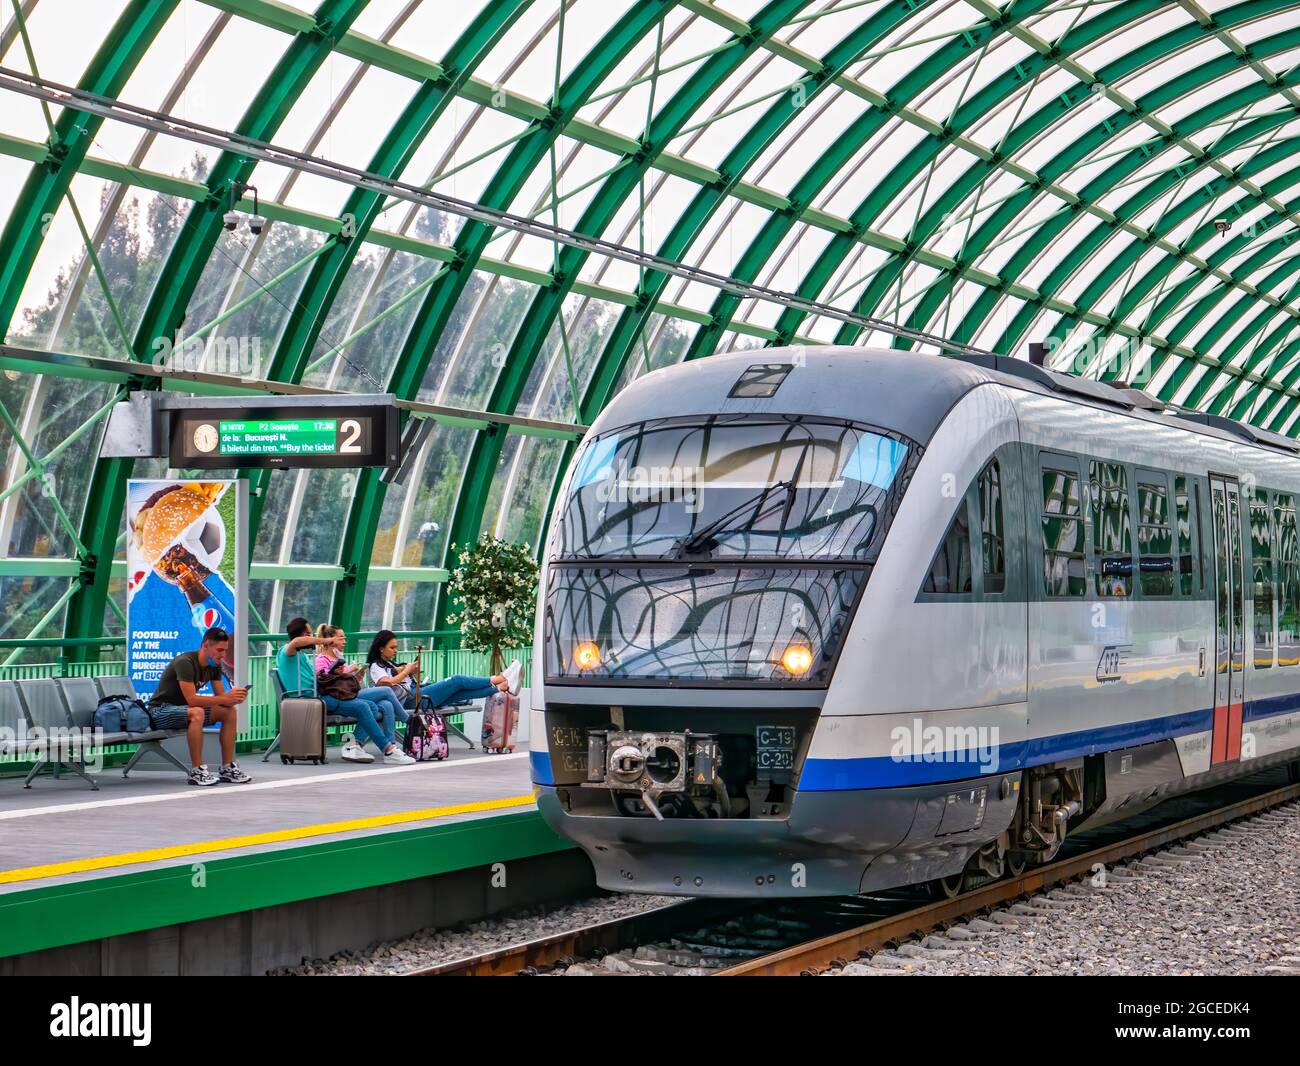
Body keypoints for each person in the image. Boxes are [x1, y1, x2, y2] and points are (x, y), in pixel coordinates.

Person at [148, 627, 251, 787]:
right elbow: (192, 700)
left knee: (229, 712)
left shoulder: (214, 665)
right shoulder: (185, 662)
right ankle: (197, 771)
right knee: (197, 712)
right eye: (219, 650)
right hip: (159, 712)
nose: (223, 655)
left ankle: (227, 768)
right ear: (205, 646)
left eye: (225, 650)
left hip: (184, 710)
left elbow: (221, 699)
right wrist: (225, 698)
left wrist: (234, 699)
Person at [315, 624, 414, 765]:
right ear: (329, 640)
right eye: (341, 638)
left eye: (345, 638)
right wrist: (347, 672)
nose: (345, 641)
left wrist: (356, 675)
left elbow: (344, 683)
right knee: (385, 691)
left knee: (384, 704)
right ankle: (409, 722)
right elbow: (323, 681)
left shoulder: (340, 659)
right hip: (337, 696)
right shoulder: (321, 659)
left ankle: (368, 745)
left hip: (347, 694)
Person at [365, 628, 523, 709]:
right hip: (411, 700)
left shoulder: (390, 664)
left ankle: (501, 686)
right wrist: (406, 671)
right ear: (381, 648)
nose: (395, 650)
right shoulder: (375, 666)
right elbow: (387, 683)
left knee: (458, 692)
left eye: (396, 647)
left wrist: (409, 672)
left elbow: (400, 679)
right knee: (457, 680)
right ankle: (500, 678)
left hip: (417, 694)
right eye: (392, 647)